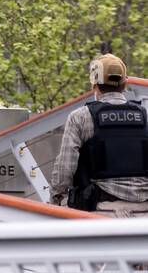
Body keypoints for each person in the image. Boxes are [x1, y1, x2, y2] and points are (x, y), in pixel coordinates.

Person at [50, 53, 148, 217]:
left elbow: (65, 169)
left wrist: (55, 201)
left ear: (94, 83)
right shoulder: (145, 116)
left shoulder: (81, 117)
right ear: (124, 83)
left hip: (101, 212)